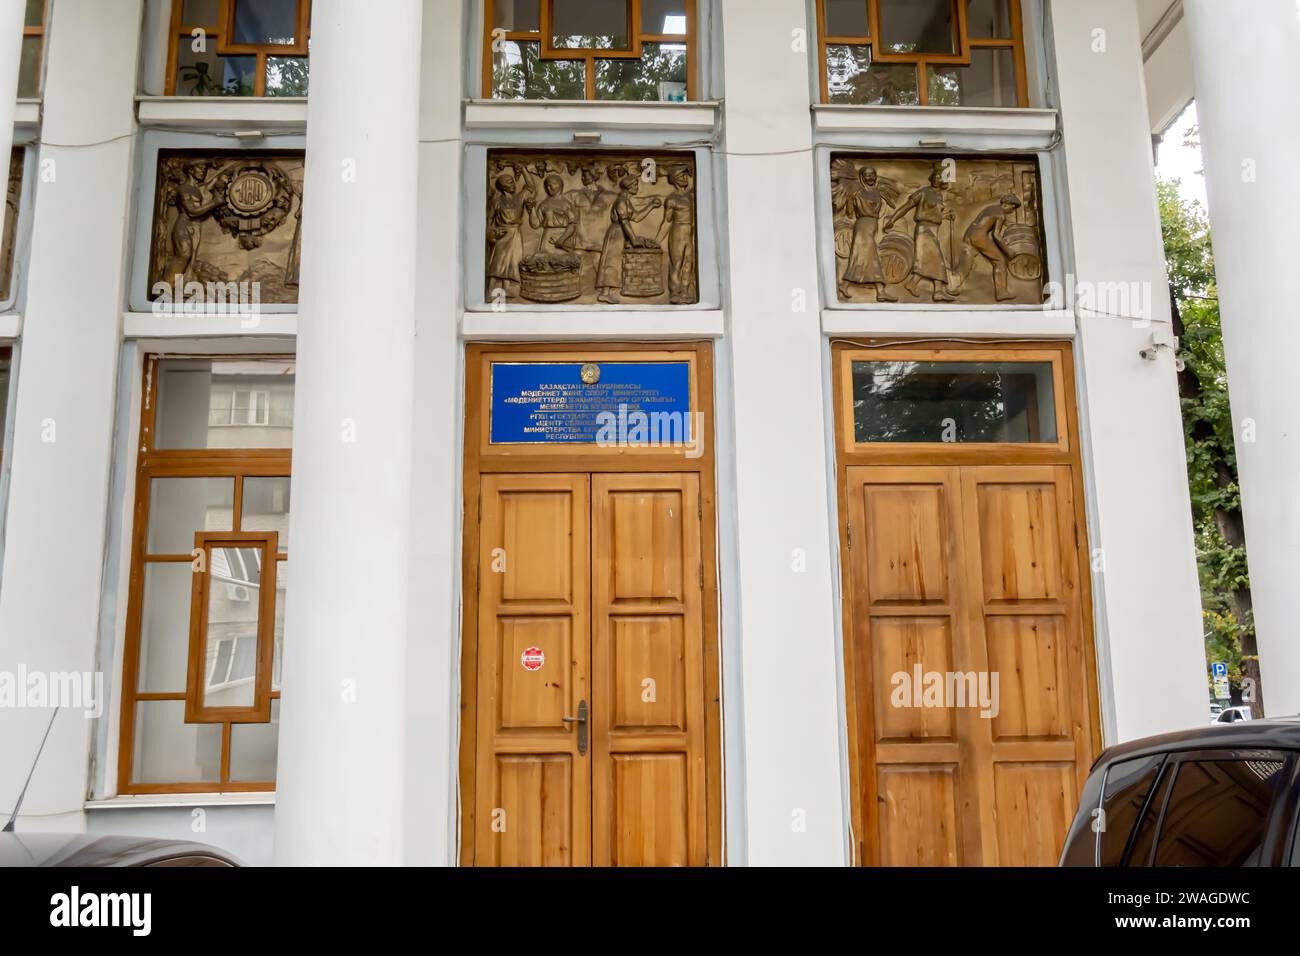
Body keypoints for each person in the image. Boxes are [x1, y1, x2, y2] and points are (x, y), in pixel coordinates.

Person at [884, 166, 957, 302]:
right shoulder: (923, 192)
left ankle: (912, 284)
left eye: (940, 177)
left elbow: (935, 214)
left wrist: (947, 215)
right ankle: (938, 292)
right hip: (924, 229)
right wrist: (893, 219)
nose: (937, 179)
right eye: (936, 176)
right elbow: (907, 207)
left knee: (927, 261)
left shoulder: (939, 195)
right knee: (937, 260)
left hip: (934, 229)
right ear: (931, 178)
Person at [833, 165, 899, 302]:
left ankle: (844, 285)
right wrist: (851, 198)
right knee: (871, 257)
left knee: (860, 259)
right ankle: (880, 291)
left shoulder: (877, 193)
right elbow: (850, 213)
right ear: (862, 177)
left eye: (872, 174)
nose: (870, 177)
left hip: (872, 226)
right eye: (867, 175)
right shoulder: (858, 192)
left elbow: (880, 212)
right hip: (863, 226)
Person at [596, 175, 662, 304]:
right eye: (635, 185)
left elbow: (636, 217)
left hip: (622, 233)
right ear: (628, 187)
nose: (637, 187)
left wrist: (651, 206)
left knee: (617, 261)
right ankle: (604, 293)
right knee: (611, 261)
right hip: (616, 233)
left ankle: (608, 292)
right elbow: (625, 222)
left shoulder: (626, 201)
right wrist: (634, 240)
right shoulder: (621, 201)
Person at [950, 193, 1021, 301]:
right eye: (1013, 207)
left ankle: (951, 286)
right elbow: (996, 235)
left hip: (969, 233)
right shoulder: (1001, 214)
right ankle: (1001, 292)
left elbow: (987, 221)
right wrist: (1008, 251)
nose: (1013, 210)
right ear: (1008, 204)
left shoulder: (991, 208)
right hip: (979, 236)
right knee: (1000, 261)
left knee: (966, 262)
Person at [486, 167, 533, 297]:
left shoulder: (519, 198)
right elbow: (489, 219)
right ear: (501, 186)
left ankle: (506, 290)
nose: (512, 184)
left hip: (515, 234)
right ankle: (490, 290)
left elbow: (530, 186)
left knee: (512, 262)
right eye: (508, 182)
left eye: (512, 181)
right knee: (497, 262)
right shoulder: (497, 202)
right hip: (502, 234)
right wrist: (491, 232)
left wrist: (523, 169)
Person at [655, 164, 697, 304]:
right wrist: (657, 240)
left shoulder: (691, 196)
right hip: (677, 232)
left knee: (688, 263)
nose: (685, 178)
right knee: (677, 263)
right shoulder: (672, 199)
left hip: (688, 232)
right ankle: (674, 292)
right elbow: (667, 222)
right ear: (675, 179)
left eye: (686, 175)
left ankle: (685, 291)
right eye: (682, 175)